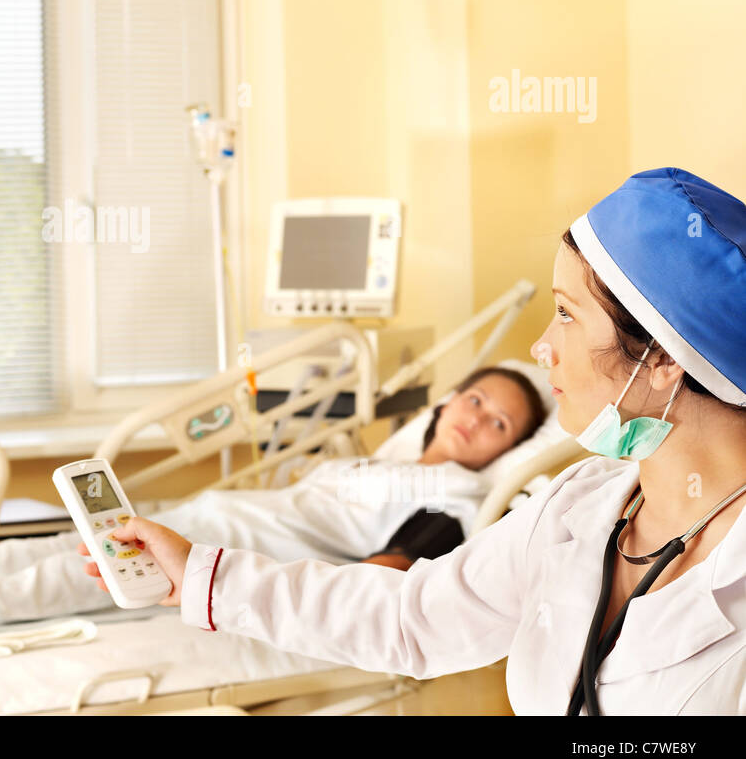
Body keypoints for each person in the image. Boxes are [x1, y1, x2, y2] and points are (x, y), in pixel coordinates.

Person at [98, 167, 746, 715]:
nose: (541, 345)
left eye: (568, 313)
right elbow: (412, 617)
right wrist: (206, 578)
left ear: (662, 358)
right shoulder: (581, 507)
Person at [0, 366, 545, 641]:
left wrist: (221, 592)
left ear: (507, 448)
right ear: (447, 400)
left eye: (498, 420)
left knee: (52, 582)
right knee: (21, 558)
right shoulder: (373, 461)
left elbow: (380, 579)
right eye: (473, 396)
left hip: (218, 561)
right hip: (211, 522)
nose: (474, 416)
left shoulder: (457, 500)